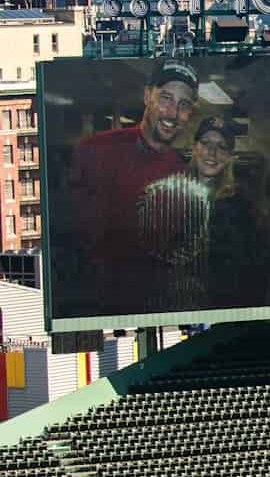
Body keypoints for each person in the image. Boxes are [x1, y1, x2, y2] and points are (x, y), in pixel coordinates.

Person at [67, 61, 199, 311]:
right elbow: (75, 236)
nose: (172, 113)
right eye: (166, 98)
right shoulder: (96, 150)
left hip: (159, 300)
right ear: (147, 96)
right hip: (99, 301)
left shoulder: (183, 173)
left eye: (183, 105)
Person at [140, 115, 259, 310]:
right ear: (195, 148)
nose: (212, 153)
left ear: (229, 156)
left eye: (222, 147)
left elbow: (248, 272)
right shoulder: (169, 193)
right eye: (207, 143)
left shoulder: (241, 207)